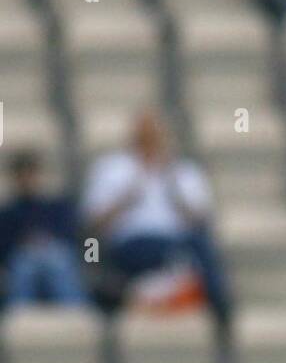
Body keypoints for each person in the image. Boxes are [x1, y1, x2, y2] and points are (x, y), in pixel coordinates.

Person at [81, 109, 232, 325]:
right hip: (131, 244)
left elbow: (201, 220)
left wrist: (174, 191)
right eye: (145, 134)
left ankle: (214, 302)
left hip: (177, 241)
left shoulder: (182, 171)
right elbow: (92, 224)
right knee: (188, 254)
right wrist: (125, 199)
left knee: (198, 245)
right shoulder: (112, 168)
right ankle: (203, 292)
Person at [0, 152, 87, 306]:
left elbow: (73, 237)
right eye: (23, 175)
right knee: (25, 268)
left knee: (58, 262)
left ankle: (76, 312)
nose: (27, 180)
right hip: (23, 257)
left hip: (56, 254)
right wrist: (26, 244)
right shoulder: (8, 212)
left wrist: (46, 242)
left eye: (31, 174)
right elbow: (4, 247)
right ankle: (19, 317)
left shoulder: (58, 207)